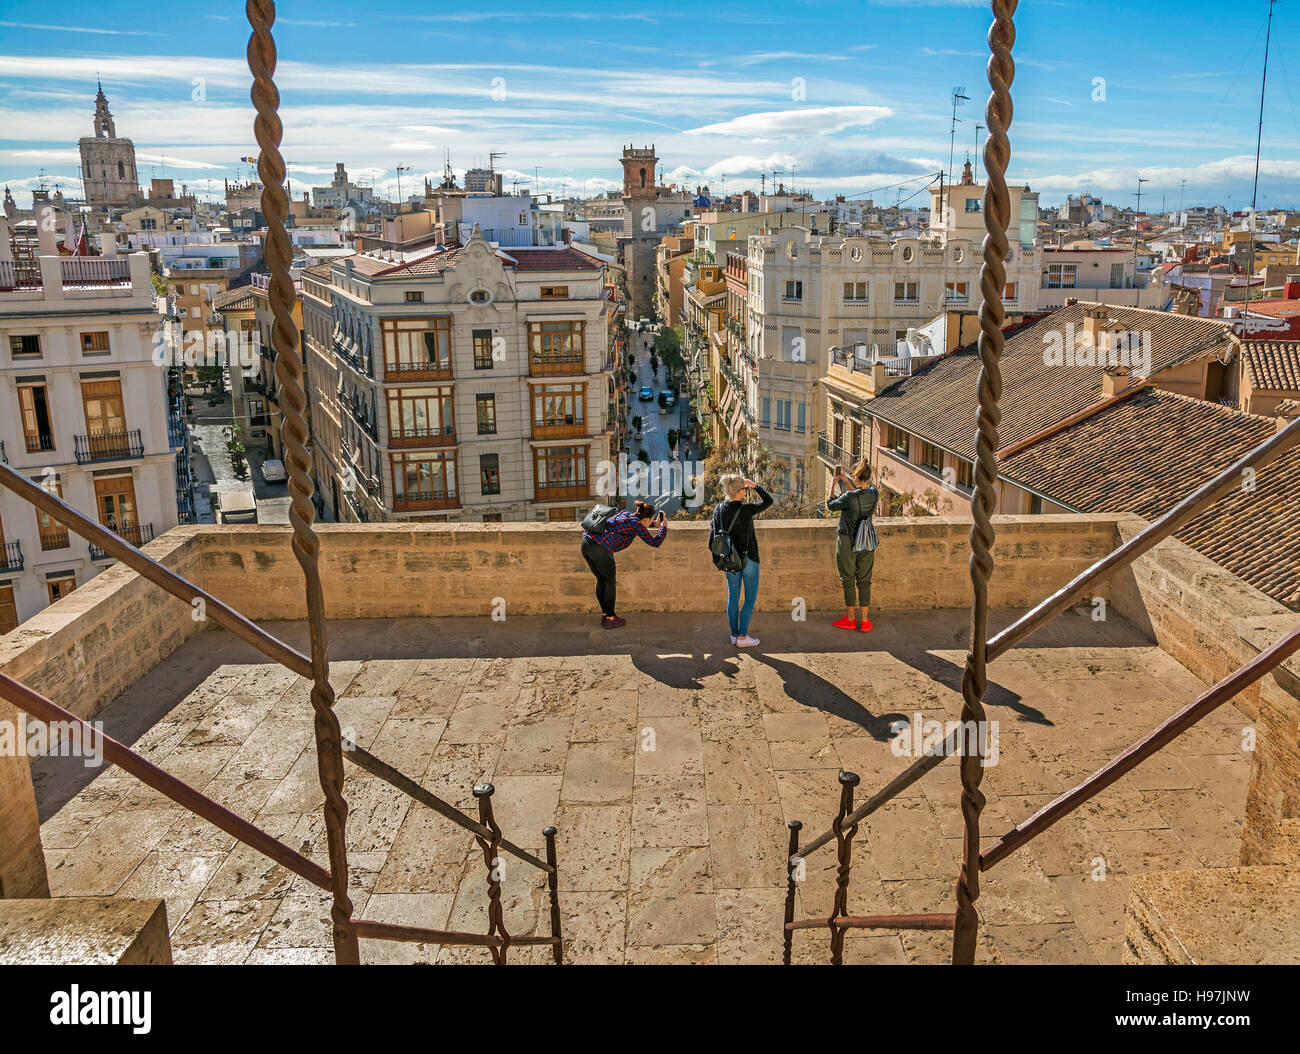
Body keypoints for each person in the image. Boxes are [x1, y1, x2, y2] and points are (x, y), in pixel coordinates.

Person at [580, 500, 667, 628]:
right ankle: (610, 619)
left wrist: (654, 523)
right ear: (647, 519)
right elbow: (655, 542)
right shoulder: (637, 525)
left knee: (601, 581)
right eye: (650, 520)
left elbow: (635, 525)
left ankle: (605, 615)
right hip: (600, 549)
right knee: (609, 582)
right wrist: (663, 528)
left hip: (586, 543)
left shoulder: (625, 514)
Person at [710, 474, 772, 647]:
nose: (746, 491)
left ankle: (733, 635)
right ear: (739, 491)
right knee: (750, 598)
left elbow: (713, 538)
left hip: (730, 562)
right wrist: (756, 486)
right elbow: (768, 501)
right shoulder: (745, 510)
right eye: (744, 489)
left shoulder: (719, 509)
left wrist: (719, 560)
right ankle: (743, 637)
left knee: (733, 596)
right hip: (749, 559)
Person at [826, 459, 880, 632]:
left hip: (848, 540)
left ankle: (850, 618)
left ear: (856, 475)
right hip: (866, 541)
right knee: (864, 581)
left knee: (848, 580)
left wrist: (833, 485)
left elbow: (830, 506)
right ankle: (864, 621)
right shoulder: (874, 493)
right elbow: (858, 498)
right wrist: (847, 482)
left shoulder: (850, 497)